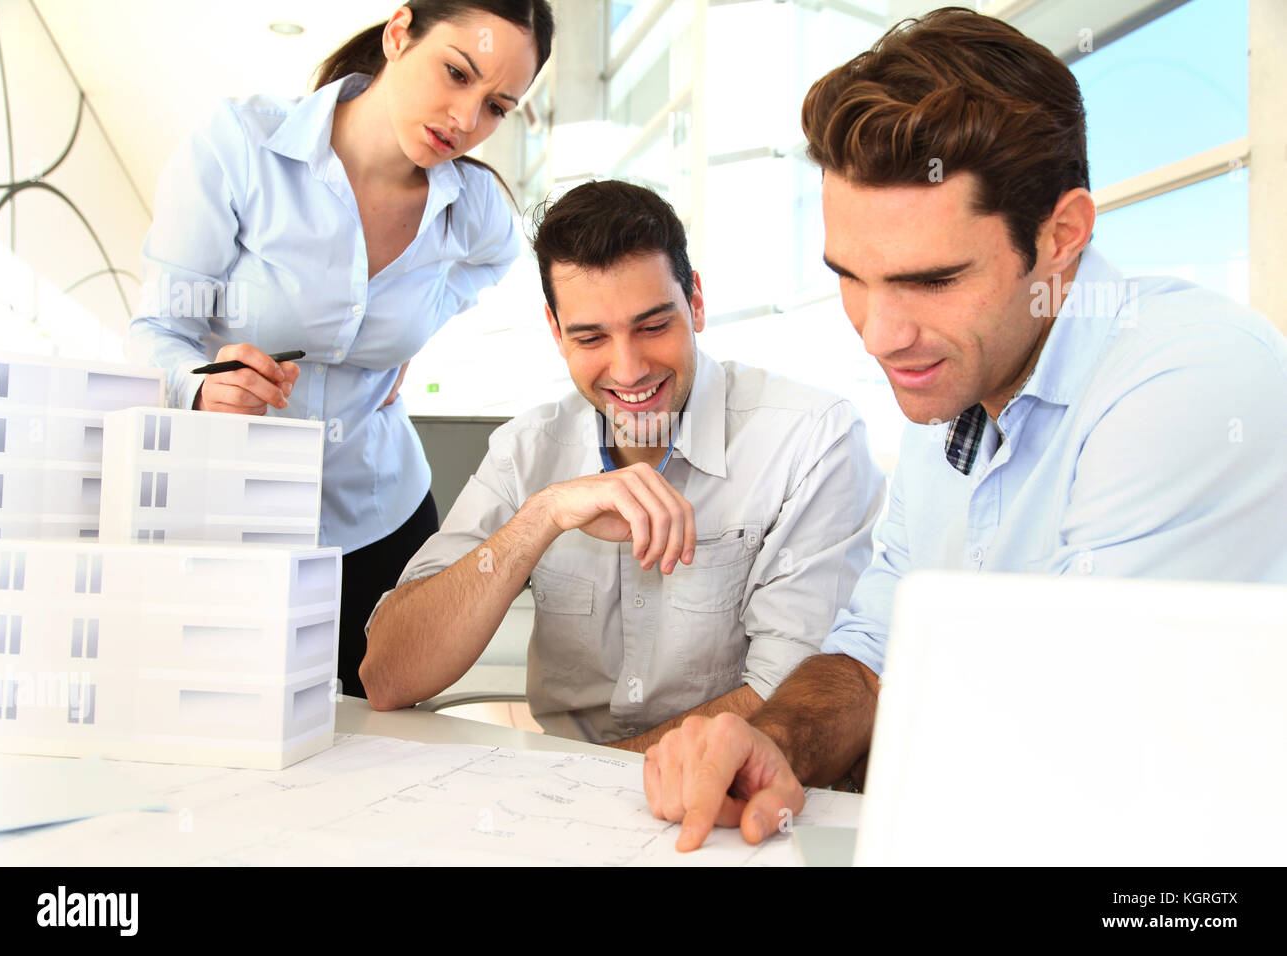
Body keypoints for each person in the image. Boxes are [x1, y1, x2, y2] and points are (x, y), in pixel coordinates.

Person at [643, 7, 1287, 850]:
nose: (879, 335)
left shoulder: (1190, 380)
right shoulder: (958, 381)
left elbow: (1060, 738)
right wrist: (781, 740)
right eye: (851, 278)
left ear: (1061, 237)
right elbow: (877, 643)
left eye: (933, 280)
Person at [361, 180, 886, 748]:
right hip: (565, 798)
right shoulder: (528, 449)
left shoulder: (810, 439)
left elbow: (789, 696)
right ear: (557, 333)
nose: (629, 369)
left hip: (729, 795)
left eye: (653, 326)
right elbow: (388, 677)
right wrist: (542, 516)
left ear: (697, 303)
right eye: (591, 337)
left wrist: (594, 779)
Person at [126, 2, 555, 698]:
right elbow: (155, 333)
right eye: (455, 73)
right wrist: (199, 387)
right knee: (236, 740)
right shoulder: (241, 148)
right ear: (398, 32)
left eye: (497, 106)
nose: (466, 119)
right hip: (236, 522)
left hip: (381, 516)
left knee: (377, 749)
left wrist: (416, 323)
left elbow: (492, 262)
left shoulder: (472, 207)